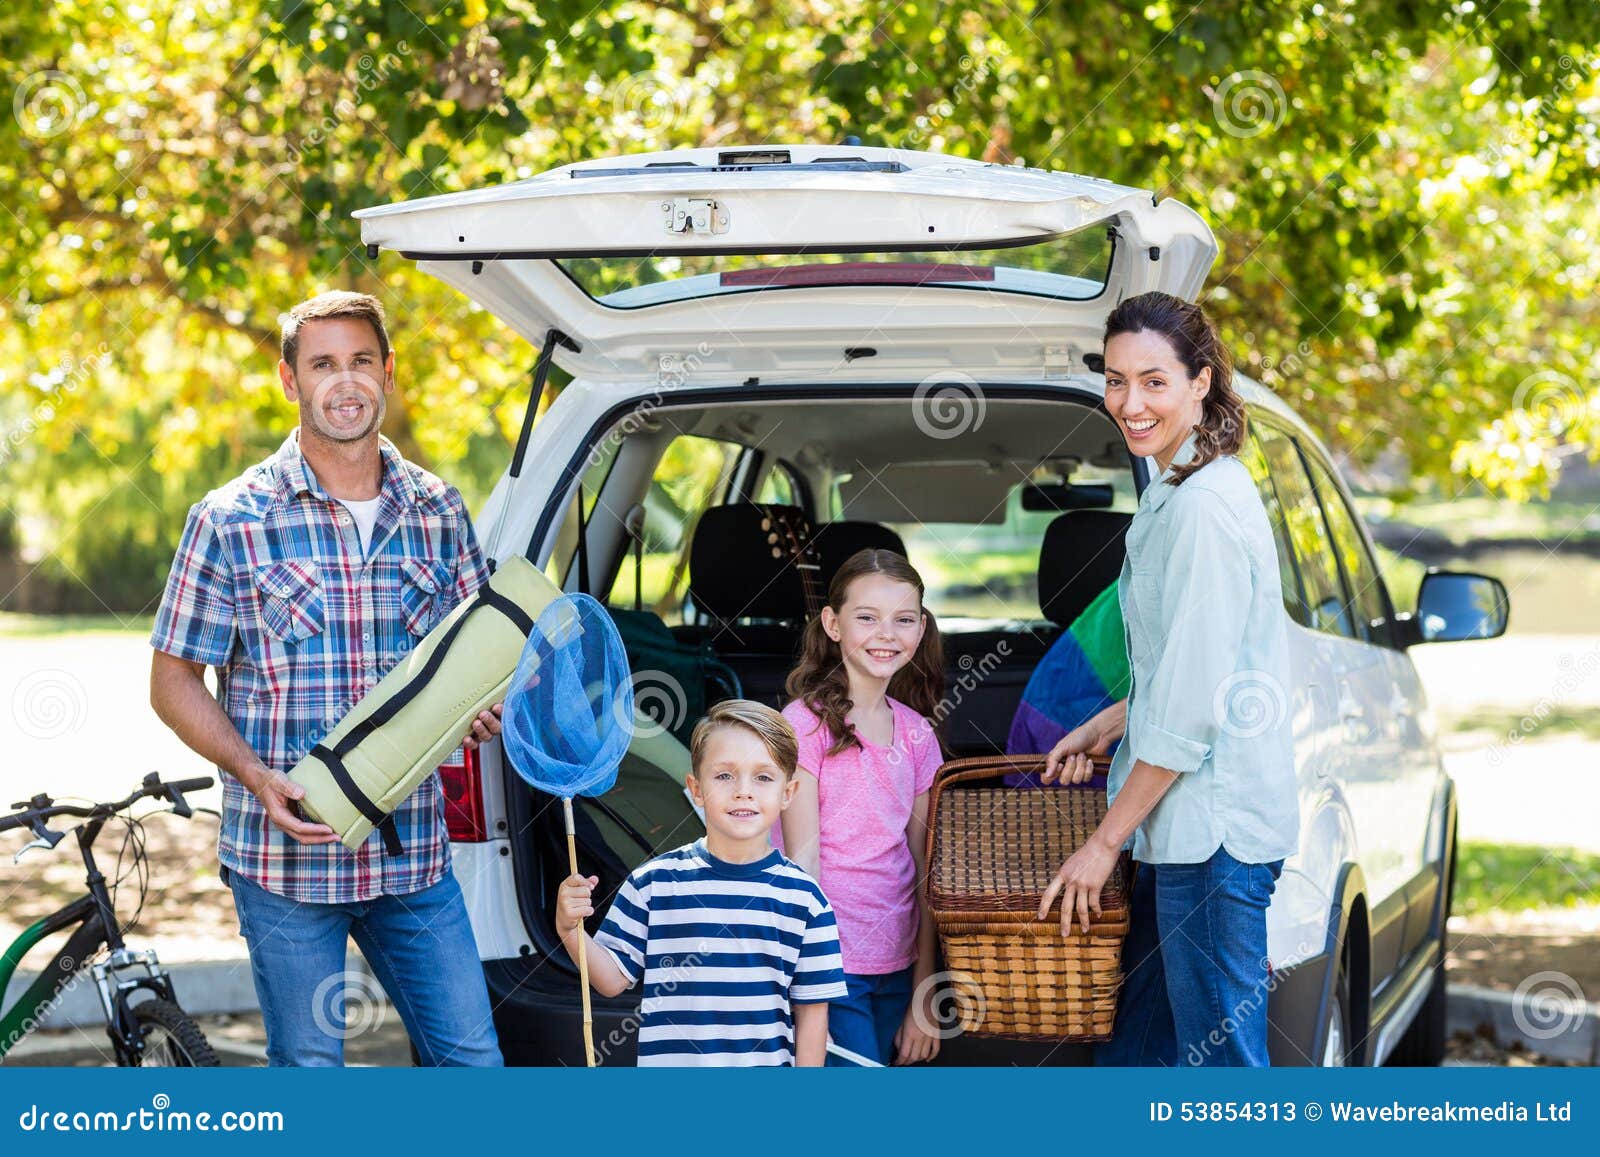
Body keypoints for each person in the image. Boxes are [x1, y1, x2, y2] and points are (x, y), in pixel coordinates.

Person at [149, 290, 505, 1067]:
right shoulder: (231, 517)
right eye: (322, 365)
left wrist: (480, 709)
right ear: (289, 380)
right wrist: (250, 772)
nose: (345, 382)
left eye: (360, 361)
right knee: (312, 1077)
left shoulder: (439, 511)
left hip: (411, 856)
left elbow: (474, 657)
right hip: (286, 861)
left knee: (474, 1066)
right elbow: (172, 679)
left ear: (387, 372)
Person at [1036, 290, 1298, 1067]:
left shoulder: (1202, 511)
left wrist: (1100, 845)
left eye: (1154, 380)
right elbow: (1185, 667)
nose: (1130, 401)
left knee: (1220, 1072)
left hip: (1209, 836)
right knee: (1138, 1056)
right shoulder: (1173, 491)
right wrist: (1110, 721)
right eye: (1116, 380)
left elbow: (1190, 711)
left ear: (1201, 382)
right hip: (1173, 831)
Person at [556, 699, 847, 1066]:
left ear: (788, 792)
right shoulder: (653, 885)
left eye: (763, 777)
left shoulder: (806, 900)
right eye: (724, 775)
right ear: (695, 788)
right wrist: (569, 929)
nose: (743, 790)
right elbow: (610, 980)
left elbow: (812, 1015)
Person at [776, 548, 948, 1066]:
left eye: (903, 620)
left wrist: (924, 991)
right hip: (828, 966)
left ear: (921, 630)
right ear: (832, 624)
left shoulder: (918, 736)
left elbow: (926, 872)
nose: (886, 634)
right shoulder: (802, 726)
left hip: (898, 965)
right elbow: (801, 869)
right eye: (866, 617)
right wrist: (810, 985)